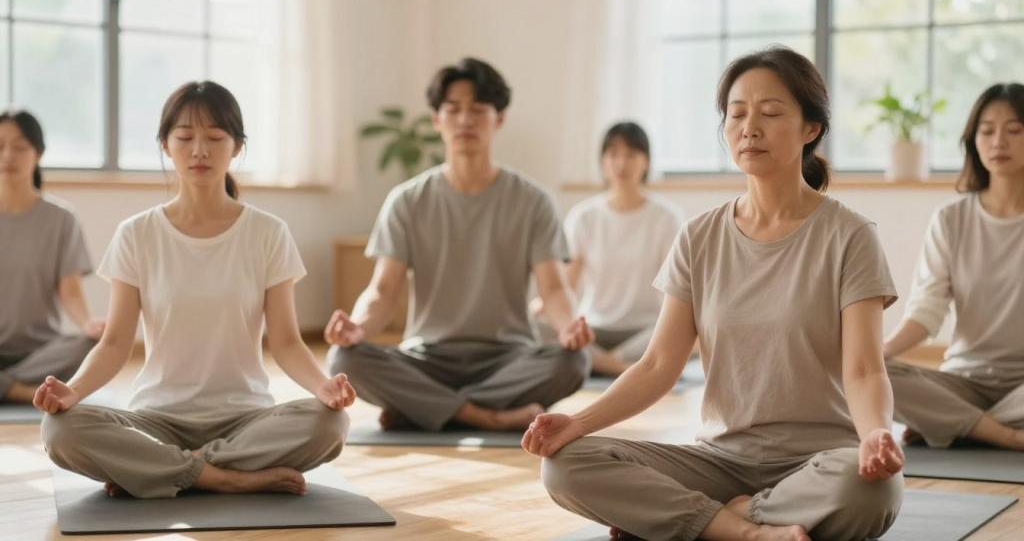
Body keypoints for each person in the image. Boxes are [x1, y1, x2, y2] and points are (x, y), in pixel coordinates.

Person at [523, 46, 904, 541]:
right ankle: (741, 528)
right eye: (737, 114)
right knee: (564, 465)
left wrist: (875, 434)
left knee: (873, 489)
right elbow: (657, 366)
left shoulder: (850, 235)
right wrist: (578, 423)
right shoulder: (698, 236)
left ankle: (706, 519)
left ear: (811, 129)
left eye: (770, 114)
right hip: (718, 461)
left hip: (818, 464)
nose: (750, 129)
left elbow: (865, 369)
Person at [35, 81, 352, 499]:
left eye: (215, 137)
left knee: (330, 423)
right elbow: (114, 343)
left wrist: (322, 386)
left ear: (237, 146)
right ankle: (226, 477)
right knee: (60, 429)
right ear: (165, 146)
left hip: (245, 420)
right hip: (157, 421)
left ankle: (162, 469)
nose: (199, 150)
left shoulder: (268, 233)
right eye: (185, 137)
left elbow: (288, 342)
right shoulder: (136, 234)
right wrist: (73, 390)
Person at [326, 57, 591, 433]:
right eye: (453, 110)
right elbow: (383, 290)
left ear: (500, 119)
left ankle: (422, 408)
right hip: (427, 359)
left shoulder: (534, 201)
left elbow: (554, 289)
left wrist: (568, 328)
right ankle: (485, 415)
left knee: (573, 362)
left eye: (478, 109)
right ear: (437, 120)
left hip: (508, 358)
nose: (465, 120)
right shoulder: (407, 201)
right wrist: (357, 327)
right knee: (343, 359)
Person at [885, 83, 1024, 450]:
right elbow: (926, 312)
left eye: (1014, 130)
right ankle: (1005, 434)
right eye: (987, 131)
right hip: (965, 383)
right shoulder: (951, 218)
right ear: (973, 141)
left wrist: (936, 414)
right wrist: (874, 356)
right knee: (869, 372)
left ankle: (956, 424)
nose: (999, 142)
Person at [554, 122, 684, 376]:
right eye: (613, 154)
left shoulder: (666, 218)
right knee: (540, 325)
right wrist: (545, 307)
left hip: (646, 331)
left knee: (689, 329)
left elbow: (677, 288)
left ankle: (600, 363)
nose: (621, 163)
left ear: (646, 162)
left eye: (631, 155)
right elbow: (566, 284)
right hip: (594, 330)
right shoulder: (584, 217)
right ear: (602, 161)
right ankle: (621, 368)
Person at [0, 110, 103, 405]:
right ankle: (22, 391)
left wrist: (88, 324)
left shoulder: (62, 219)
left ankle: (7, 385)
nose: (8, 155)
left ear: (38, 153)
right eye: (0, 146)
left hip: (43, 353)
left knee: (94, 343)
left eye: (20, 147)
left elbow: (70, 290)